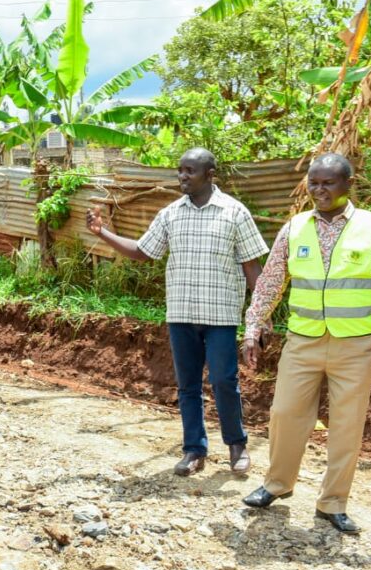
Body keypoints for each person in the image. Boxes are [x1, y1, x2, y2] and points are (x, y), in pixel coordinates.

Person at [241, 153, 371, 533]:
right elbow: (269, 284)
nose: (319, 190)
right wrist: (252, 329)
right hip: (303, 342)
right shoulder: (294, 228)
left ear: (348, 184)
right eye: (313, 182)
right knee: (284, 414)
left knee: (347, 425)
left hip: (356, 348)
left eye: (328, 183)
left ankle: (332, 503)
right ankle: (277, 484)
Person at [87, 148, 268, 476]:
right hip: (181, 314)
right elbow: (143, 251)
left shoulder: (234, 212)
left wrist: (262, 313)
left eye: (190, 171)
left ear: (210, 174)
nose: (182, 176)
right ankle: (194, 451)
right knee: (187, 386)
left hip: (221, 317)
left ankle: (237, 446)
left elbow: (252, 266)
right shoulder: (171, 213)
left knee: (224, 380)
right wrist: (102, 233)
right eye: (180, 171)